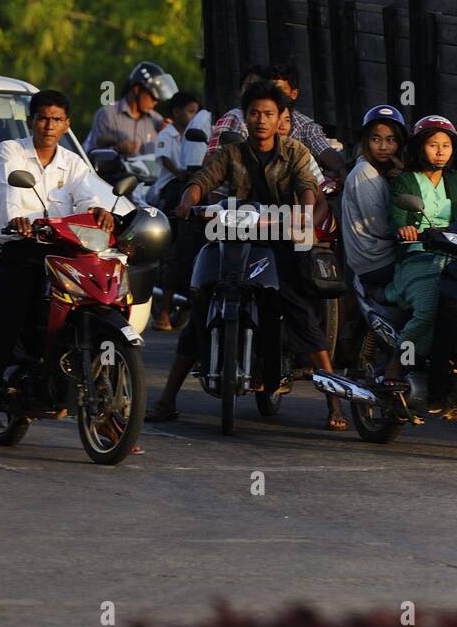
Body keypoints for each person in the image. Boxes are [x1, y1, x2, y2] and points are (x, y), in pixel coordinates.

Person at [146, 79, 347, 429]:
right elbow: (203, 180)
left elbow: (308, 188)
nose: (261, 120)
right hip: (233, 238)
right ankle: (166, 400)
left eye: (269, 114)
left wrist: (302, 215)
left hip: (280, 241)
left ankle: (334, 406)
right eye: (254, 113)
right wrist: (187, 200)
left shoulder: (295, 151)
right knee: (201, 308)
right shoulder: (232, 152)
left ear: (280, 116)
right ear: (245, 117)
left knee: (302, 315)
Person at [0, 90, 116, 454]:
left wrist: (100, 210)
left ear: (67, 124)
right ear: (31, 120)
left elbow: (88, 195)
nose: (49, 125)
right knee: (4, 332)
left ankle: (111, 419)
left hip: (65, 251)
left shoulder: (73, 163)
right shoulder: (11, 151)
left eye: (57, 119)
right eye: (43, 118)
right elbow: (12, 194)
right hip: (22, 250)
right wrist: (20, 221)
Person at [381, 115, 457, 402]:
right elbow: (397, 215)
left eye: (446, 145)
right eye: (433, 145)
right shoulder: (405, 180)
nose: (440, 151)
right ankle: (395, 366)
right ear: (419, 148)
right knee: (428, 309)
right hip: (418, 257)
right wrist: (405, 228)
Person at [207, 62, 345, 175]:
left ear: (293, 94)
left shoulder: (302, 145)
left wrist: (344, 174)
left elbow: (323, 152)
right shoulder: (238, 119)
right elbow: (214, 167)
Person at [149, 90, 201, 331]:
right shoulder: (167, 134)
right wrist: (180, 173)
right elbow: (164, 159)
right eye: (189, 111)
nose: (193, 116)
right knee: (180, 246)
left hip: (191, 184)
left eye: (195, 111)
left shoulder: (197, 132)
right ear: (176, 112)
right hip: (172, 186)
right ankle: (164, 310)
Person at [342, 104, 408, 289]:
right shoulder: (365, 172)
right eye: (376, 139)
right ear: (366, 142)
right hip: (376, 260)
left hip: (382, 254)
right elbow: (381, 228)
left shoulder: (386, 172)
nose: (383, 147)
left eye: (391, 140)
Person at [84, 60, 173, 155]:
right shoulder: (107, 114)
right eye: (152, 96)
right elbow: (92, 153)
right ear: (137, 89)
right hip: (118, 170)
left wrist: (168, 135)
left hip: (149, 170)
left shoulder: (157, 120)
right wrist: (117, 149)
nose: (155, 102)